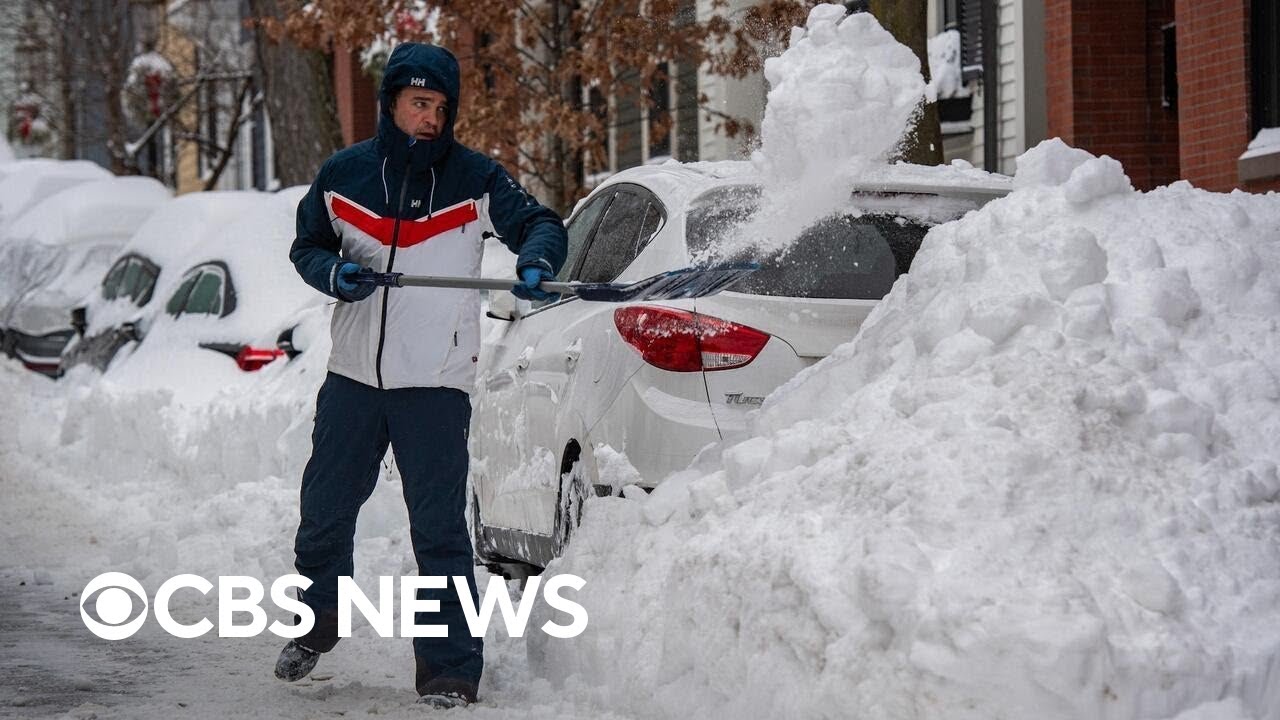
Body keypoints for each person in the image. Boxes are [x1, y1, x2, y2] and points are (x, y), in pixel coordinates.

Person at [275, 42, 568, 709]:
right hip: (353, 379)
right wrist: (333, 275)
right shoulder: (343, 175)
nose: (430, 118)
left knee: (438, 531)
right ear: (391, 105)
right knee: (323, 513)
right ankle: (317, 622)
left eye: (439, 106)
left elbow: (539, 224)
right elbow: (307, 245)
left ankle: (449, 670)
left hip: (435, 385)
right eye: (418, 103)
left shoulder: (475, 180)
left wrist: (538, 263)